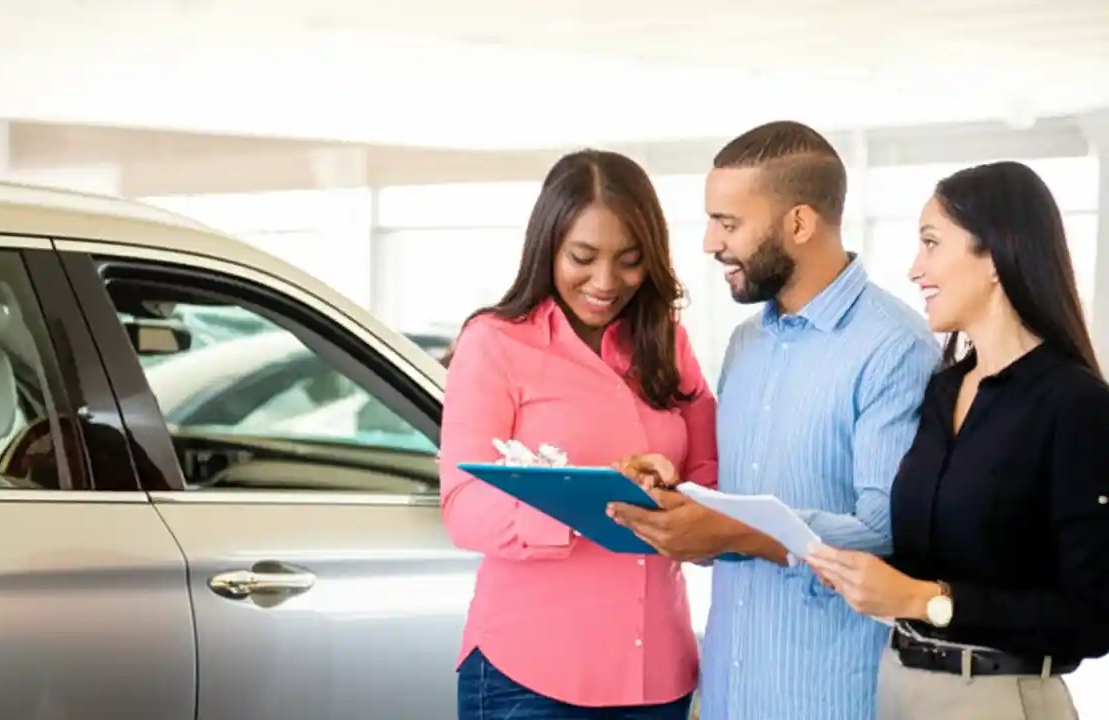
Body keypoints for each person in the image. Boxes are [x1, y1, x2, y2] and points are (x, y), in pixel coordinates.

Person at [608, 121, 940, 720]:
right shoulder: (745, 344)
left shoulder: (894, 348)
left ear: (799, 223)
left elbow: (887, 531)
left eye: (728, 223)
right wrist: (677, 498)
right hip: (732, 692)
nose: (710, 242)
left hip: (828, 695)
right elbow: (730, 509)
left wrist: (734, 530)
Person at [804, 160, 1109, 719]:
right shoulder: (941, 390)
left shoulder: (1075, 404)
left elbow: (1092, 616)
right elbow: (937, 551)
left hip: (998, 698)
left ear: (993, 254)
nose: (915, 269)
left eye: (931, 243)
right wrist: (860, 572)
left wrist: (926, 600)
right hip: (901, 687)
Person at [439, 149, 717, 719]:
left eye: (630, 260)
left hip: (657, 679)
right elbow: (463, 507)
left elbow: (710, 478)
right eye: (583, 258)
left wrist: (669, 497)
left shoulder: (668, 342)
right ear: (548, 247)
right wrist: (582, 501)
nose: (606, 282)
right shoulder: (494, 343)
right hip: (530, 675)